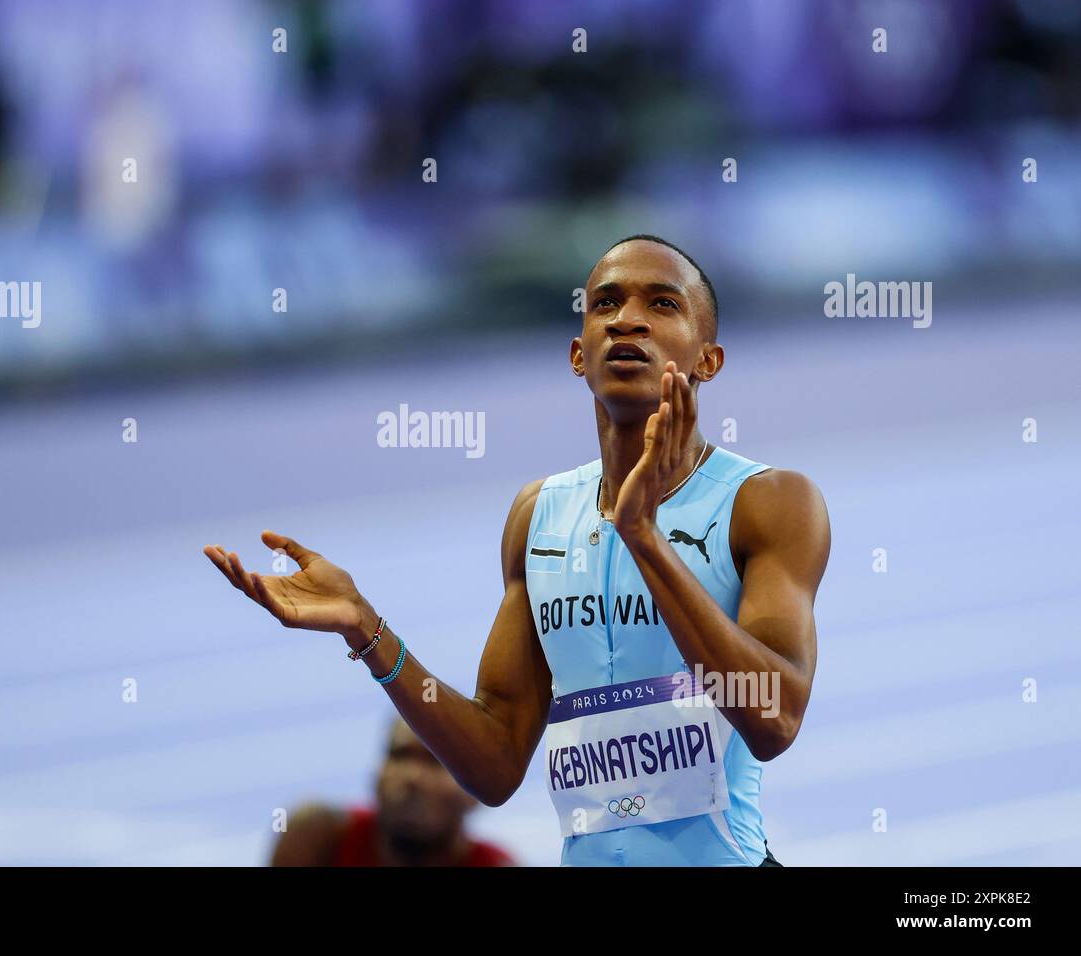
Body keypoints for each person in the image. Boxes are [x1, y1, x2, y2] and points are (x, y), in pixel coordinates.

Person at [207, 235, 831, 866]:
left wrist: (643, 536)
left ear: (708, 361)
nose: (627, 320)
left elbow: (774, 720)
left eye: (662, 304)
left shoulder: (769, 502)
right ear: (578, 355)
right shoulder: (539, 515)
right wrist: (365, 628)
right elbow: (496, 762)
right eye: (605, 303)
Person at [271, 718, 515, 867]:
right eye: (399, 755)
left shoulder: (497, 864)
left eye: (437, 761)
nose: (412, 777)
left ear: (478, 792)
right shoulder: (319, 838)